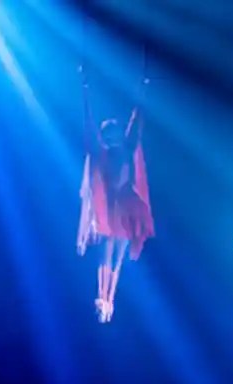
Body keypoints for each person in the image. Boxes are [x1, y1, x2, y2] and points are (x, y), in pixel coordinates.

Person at [77, 70, 154, 324]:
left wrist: (142, 91)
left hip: (123, 206)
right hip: (112, 207)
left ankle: (109, 299)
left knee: (116, 255)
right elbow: (89, 125)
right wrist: (85, 91)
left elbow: (136, 122)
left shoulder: (124, 147)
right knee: (109, 254)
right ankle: (103, 297)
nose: (112, 138)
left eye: (113, 134)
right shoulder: (105, 152)